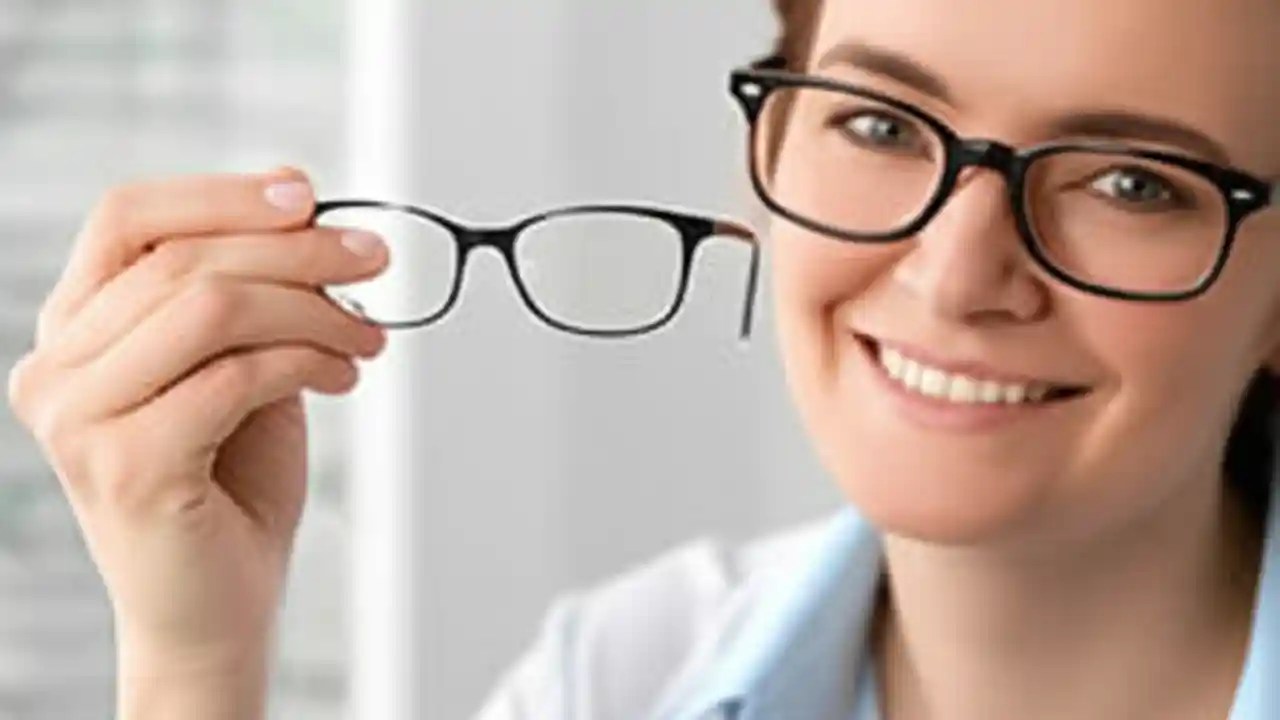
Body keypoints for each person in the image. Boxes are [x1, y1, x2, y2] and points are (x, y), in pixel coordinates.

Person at [5, 0, 1278, 718]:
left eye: (1132, 183)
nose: (954, 274)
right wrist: (194, 658)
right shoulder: (614, 679)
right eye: (880, 125)